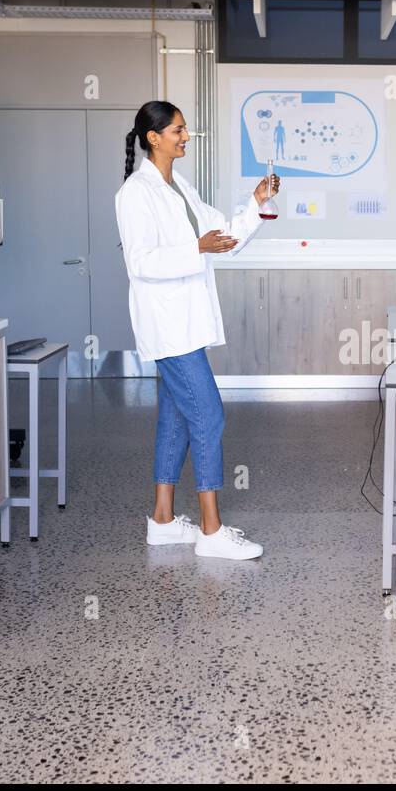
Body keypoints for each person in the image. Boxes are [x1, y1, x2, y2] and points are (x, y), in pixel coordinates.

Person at [115, 100, 278, 559]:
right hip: (167, 326)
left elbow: (220, 235)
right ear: (154, 137)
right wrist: (196, 247)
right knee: (209, 417)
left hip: (186, 324)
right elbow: (141, 263)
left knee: (177, 418)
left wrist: (256, 205)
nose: (186, 137)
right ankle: (210, 530)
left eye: (186, 130)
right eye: (178, 131)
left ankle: (163, 521)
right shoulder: (135, 192)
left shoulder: (179, 186)